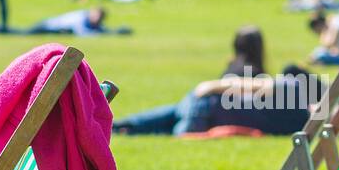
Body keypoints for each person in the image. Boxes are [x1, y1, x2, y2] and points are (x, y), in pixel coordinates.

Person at [114, 26, 266, 135]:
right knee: (177, 129)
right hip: (204, 110)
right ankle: (124, 128)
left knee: (167, 118)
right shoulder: (252, 73)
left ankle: (122, 125)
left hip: (194, 99)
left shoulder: (233, 66)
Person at [13, 6, 129, 36]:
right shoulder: (81, 17)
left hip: (51, 28)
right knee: (21, 33)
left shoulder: (88, 20)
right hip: (46, 26)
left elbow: (100, 29)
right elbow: (82, 32)